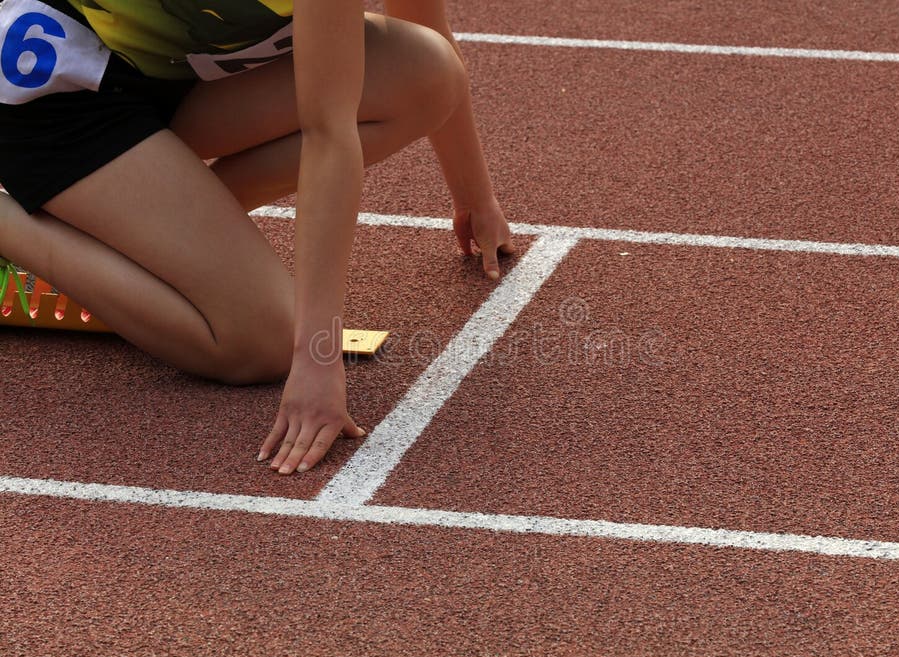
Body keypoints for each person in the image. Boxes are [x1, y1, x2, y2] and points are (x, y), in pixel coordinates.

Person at [0, 0, 515, 474]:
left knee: (427, 72)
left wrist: (474, 195)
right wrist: (317, 355)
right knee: (264, 341)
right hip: (54, 89)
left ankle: (150, 230)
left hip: (167, 72)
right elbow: (328, 137)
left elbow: (408, 30)